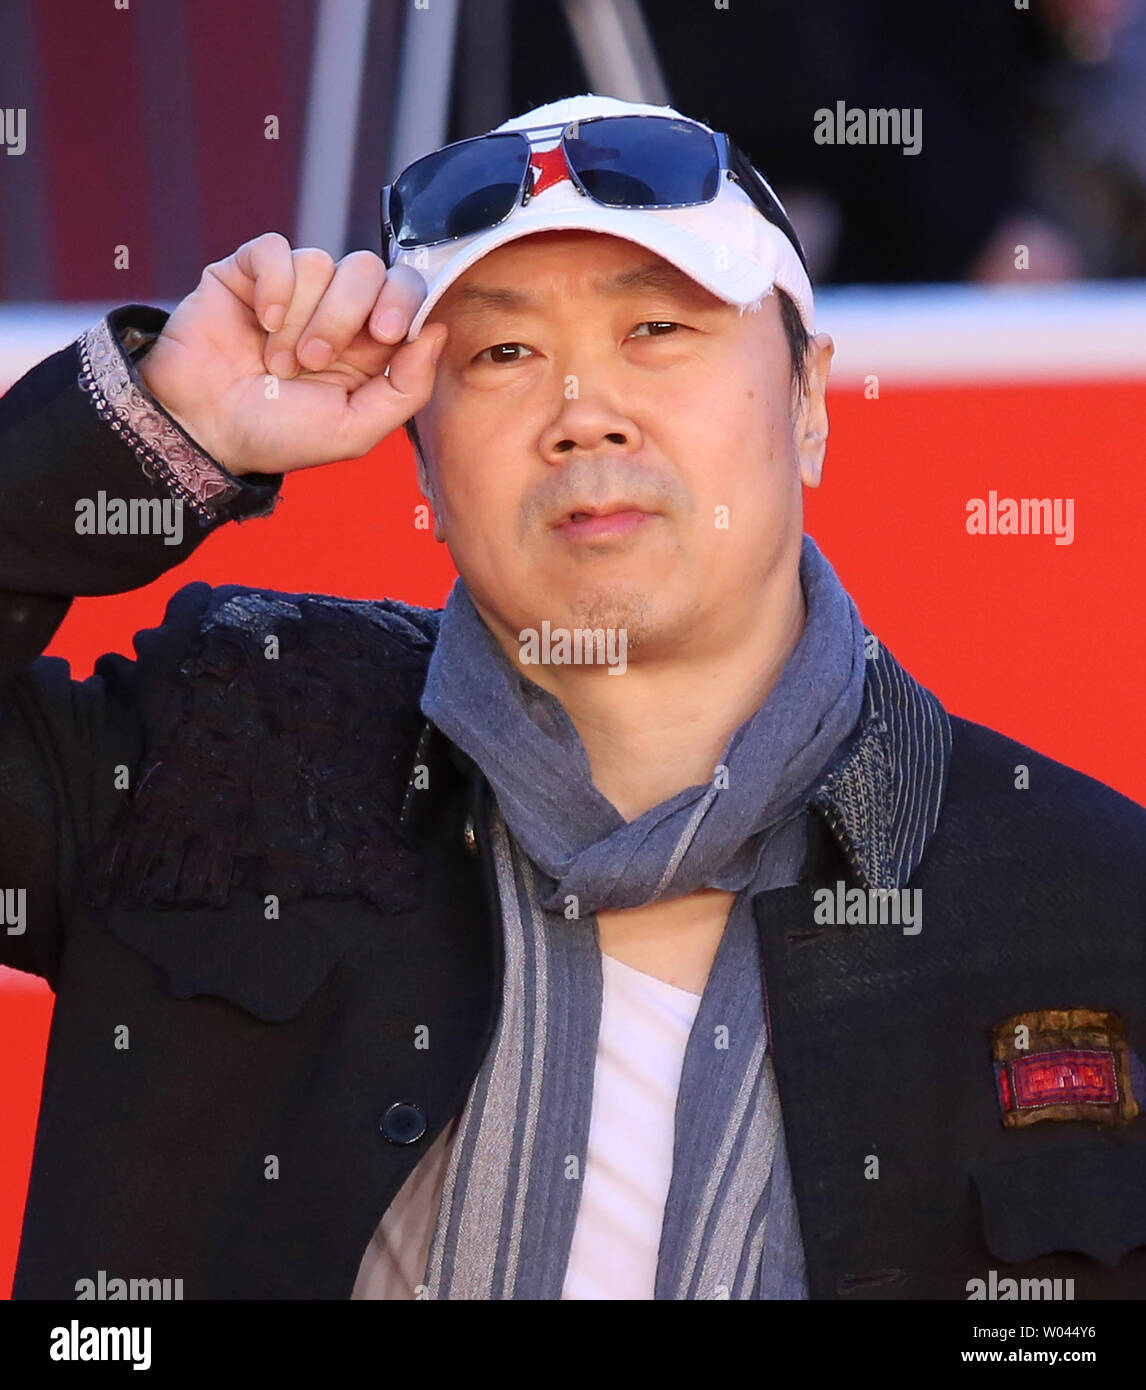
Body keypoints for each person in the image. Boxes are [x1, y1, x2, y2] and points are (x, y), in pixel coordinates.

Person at [2, 93, 1144, 1302]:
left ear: (809, 401)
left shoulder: (1091, 903)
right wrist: (155, 426)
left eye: (656, 326)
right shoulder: (218, 752)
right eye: (503, 354)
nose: (581, 411)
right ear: (421, 459)